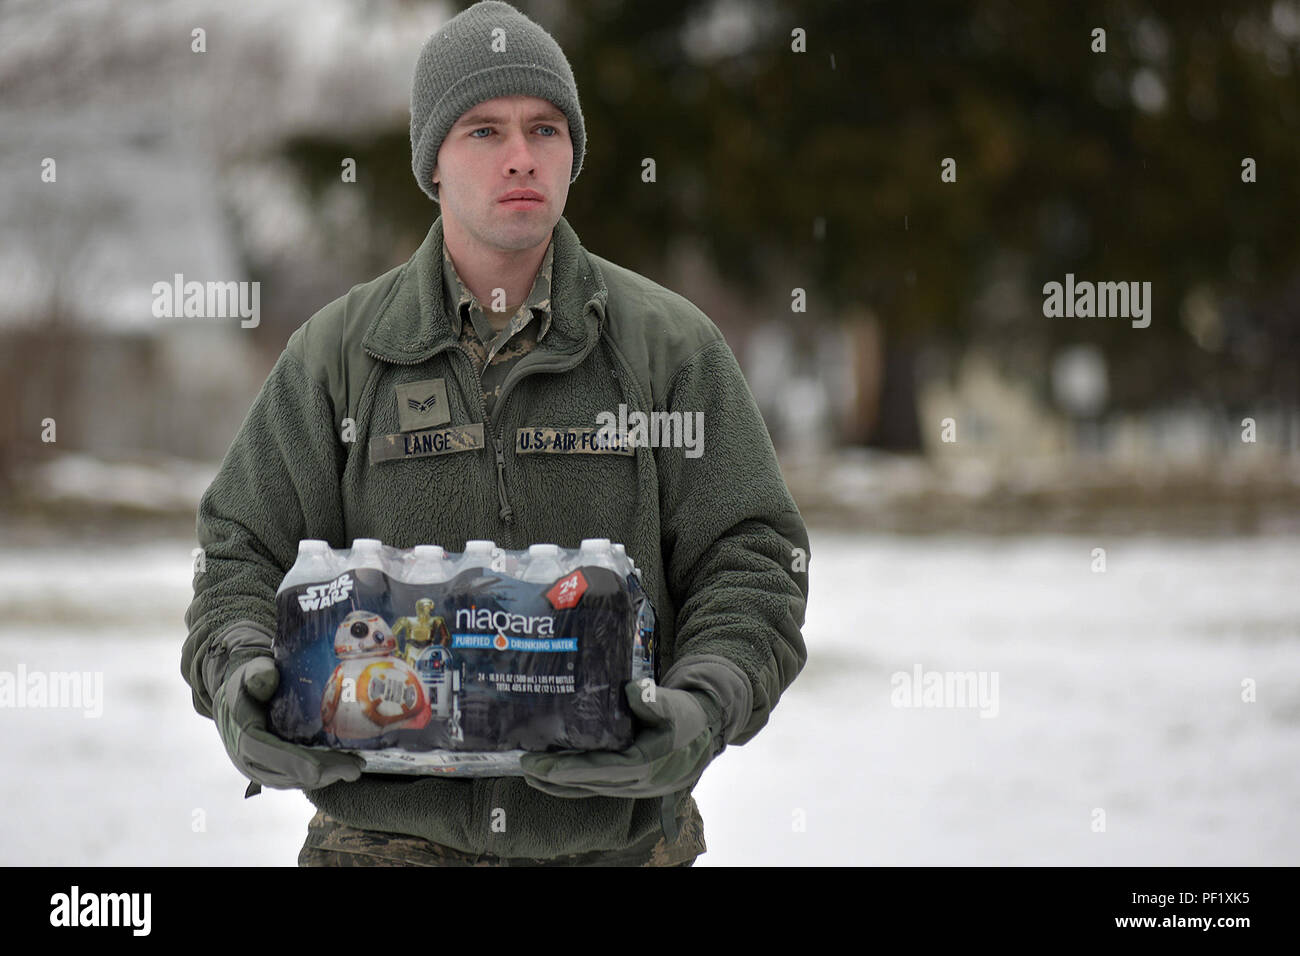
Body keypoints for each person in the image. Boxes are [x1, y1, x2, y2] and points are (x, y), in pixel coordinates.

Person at [181, 0, 809, 867]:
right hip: (383, 846)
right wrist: (239, 677)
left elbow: (752, 559)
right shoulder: (339, 357)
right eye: (483, 131)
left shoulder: (669, 351)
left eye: (546, 129)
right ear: (432, 163)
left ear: (572, 155)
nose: (521, 156)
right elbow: (238, 552)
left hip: (617, 846)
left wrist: (701, 706)